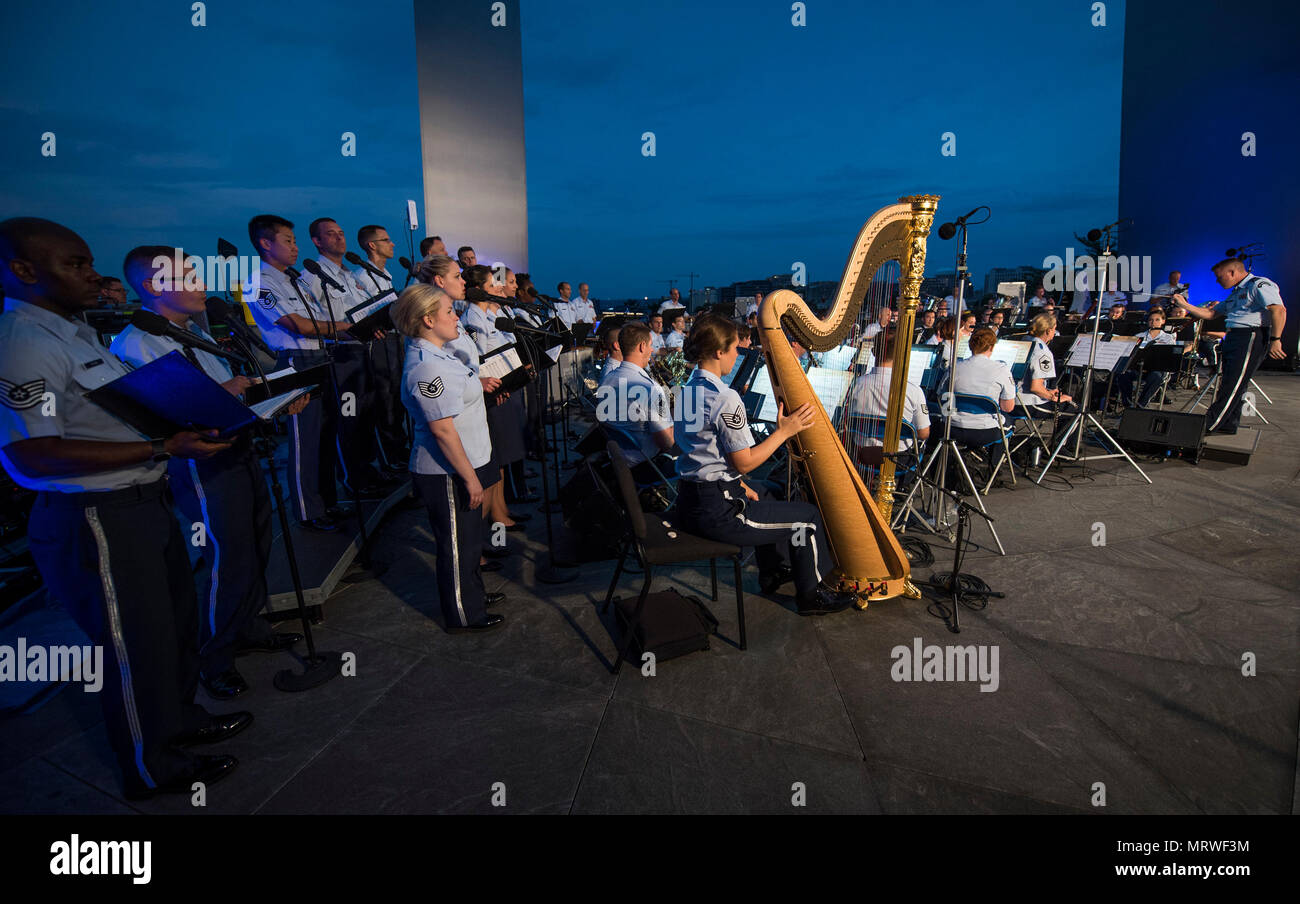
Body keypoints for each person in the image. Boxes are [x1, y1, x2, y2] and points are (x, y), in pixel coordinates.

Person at [0, 218, 248, 798]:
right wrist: (162, 446)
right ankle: (151, 764)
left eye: (89, 262)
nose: (93, 274)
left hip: (142, 499)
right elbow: (30, 455)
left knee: (171, 626)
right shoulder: (25, 345)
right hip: (97, 515)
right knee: (133, 641)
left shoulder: (78, 333)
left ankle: (179, 721)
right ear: (24, 271)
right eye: (76, 264)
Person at [112, 245, 305, 699]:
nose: (201, 285)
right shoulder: (136, 343)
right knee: (227, 553)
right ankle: (214, 655)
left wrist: (269, 397)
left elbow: (226, 394)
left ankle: (247, 625)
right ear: (154, 286)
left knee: (255, 541)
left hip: (237, 448)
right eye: (189, 277)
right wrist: (228, 390)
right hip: (201, 463)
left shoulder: (192, 333)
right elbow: (160, 412)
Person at [672, 313, 857, 616]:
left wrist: (742, 484)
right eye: (734, 348)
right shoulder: (725, 397)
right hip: (718, 511)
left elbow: (706, 453)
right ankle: (812, 595)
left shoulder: (688, 388)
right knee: (808, 518)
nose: (737, 354)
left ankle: (773, 570)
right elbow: (744, 462)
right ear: (719, 352)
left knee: (768, 489)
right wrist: (785, 431)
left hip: (690, 499)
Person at [394, 283, 505, 632]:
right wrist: (469, 478)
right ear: (427, 319)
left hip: (469, 459)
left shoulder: (442, 355)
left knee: (470, 542)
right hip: (447, 471)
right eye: (448, 312)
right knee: (458, 546)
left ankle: (473, 594)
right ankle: (462, 614)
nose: (455, 316)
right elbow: (442, 430)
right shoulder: (427, 366)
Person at [245, 214, 354, 532]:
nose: (295, 248)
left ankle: (327, 501)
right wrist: (345, 328)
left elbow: (318, 320)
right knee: (303, 440)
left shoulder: (295, 279)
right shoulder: (258, 283)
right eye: (288, 241)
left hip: (320, 357)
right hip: (295, 362)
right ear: (266, 243)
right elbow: (296, 324)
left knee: (324, 435)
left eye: (295, 241)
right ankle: (308, 510)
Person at [302, 218, 390, 497]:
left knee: (365, 416)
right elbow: (320, 321)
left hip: (361, 350)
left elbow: (359, 312)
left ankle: (366, 471)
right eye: (331, 234)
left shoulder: (349, 275)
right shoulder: (313, 277)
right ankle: (353, 480)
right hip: (339, 356)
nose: (340, 238)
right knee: (348, 419)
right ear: (317, 241)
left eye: (341, 233)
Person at [1171, 258, 1286, 434]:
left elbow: (1278, 310)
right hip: (1235, 337)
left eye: (1220, 277)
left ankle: (1208, 424)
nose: (1217, 281)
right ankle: (1228, 425)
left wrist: (1275, 339)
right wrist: (1185, 305)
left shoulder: (1259, 285)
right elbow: (1211, 313)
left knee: (1233, 383)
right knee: (1231, 382)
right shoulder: (1236, 292)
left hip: (1249, 336)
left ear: (1232, 272)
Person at [461, 264, 529, 535]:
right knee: (497, 456)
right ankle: (494, 520)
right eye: (494, 286)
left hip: (506, 386)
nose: (500, 289)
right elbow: (478, 360)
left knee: (502, 457)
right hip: (493, 391)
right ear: (479, 291)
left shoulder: (493, 316)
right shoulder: (473, 320)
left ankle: (501, 510)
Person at [354, 223, 409, 474]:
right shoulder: (361, 278)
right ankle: (388, 455)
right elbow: (361, 315)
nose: (392, 244)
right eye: (386, 240)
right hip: (376, 343)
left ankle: (398, 447)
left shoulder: (384, 275)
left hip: (393, 339)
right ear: (372, 245)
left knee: (396, 396)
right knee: (384, 398)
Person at [595, 320, 674, 483]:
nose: (652, 350)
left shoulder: (608, 379)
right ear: (642, 346)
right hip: (645, 466)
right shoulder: (650, 388)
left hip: (618, 461)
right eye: (651, 345)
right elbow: (667, 443)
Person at [943, 327, 1016, 479]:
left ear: (970, 345)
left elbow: (943, 399)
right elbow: (1007, 407)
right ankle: (992, 471)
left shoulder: (954, 367)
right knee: (1008, 421)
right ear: (991, 347)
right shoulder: (1001, 369)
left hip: (953, 428)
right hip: (984, 431)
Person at [847, 328, 930, 456]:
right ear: (902, 354)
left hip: (860, 455)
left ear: (873, 352)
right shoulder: (914, 391)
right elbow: (923, 433)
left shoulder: (855, 384)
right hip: (898, 460)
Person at [1118, 308, 1177, 407]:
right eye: (1151, 320)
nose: (1153, 322)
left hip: (1157, 369)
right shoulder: (1139, 336)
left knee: (1156, 377)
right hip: (1140, 368)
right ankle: (1127, 405)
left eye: (1157, 319)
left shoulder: (1168, 338)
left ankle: (1140, 405)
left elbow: (1169, 357)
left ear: (1163, 321)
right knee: (1123, 375)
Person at [1020, 313, 1072, 412]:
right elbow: (1036, 388)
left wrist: (1048, 391)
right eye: (1054, 329)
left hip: (1010, 399)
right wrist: (1054, 398)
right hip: (1028, 403)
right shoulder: (1042, 352)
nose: (1055, 332)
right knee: (1075, 409)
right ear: (1048, 331)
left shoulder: (1024, 342)